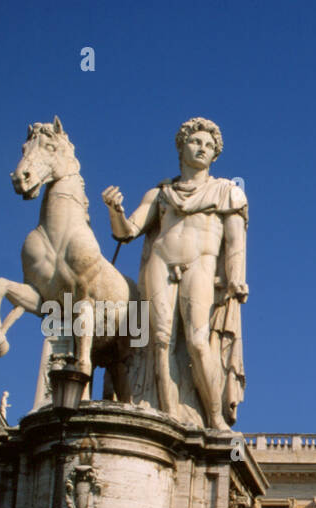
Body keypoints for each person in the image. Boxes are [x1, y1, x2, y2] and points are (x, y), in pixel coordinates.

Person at [102, 117, 249, 430]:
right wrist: (115, 210)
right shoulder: (160, 193)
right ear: (181, 147)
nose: (202, 149)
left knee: (198, 341)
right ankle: (169, 419)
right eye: (196, 142)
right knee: (159, 341)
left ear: (215, 155)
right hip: (161, 261)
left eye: (209, 146)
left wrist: (235, 277)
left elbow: (236, 241)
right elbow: (127, 231)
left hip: (202, 263)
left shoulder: (227, 192)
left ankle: (213, 418)